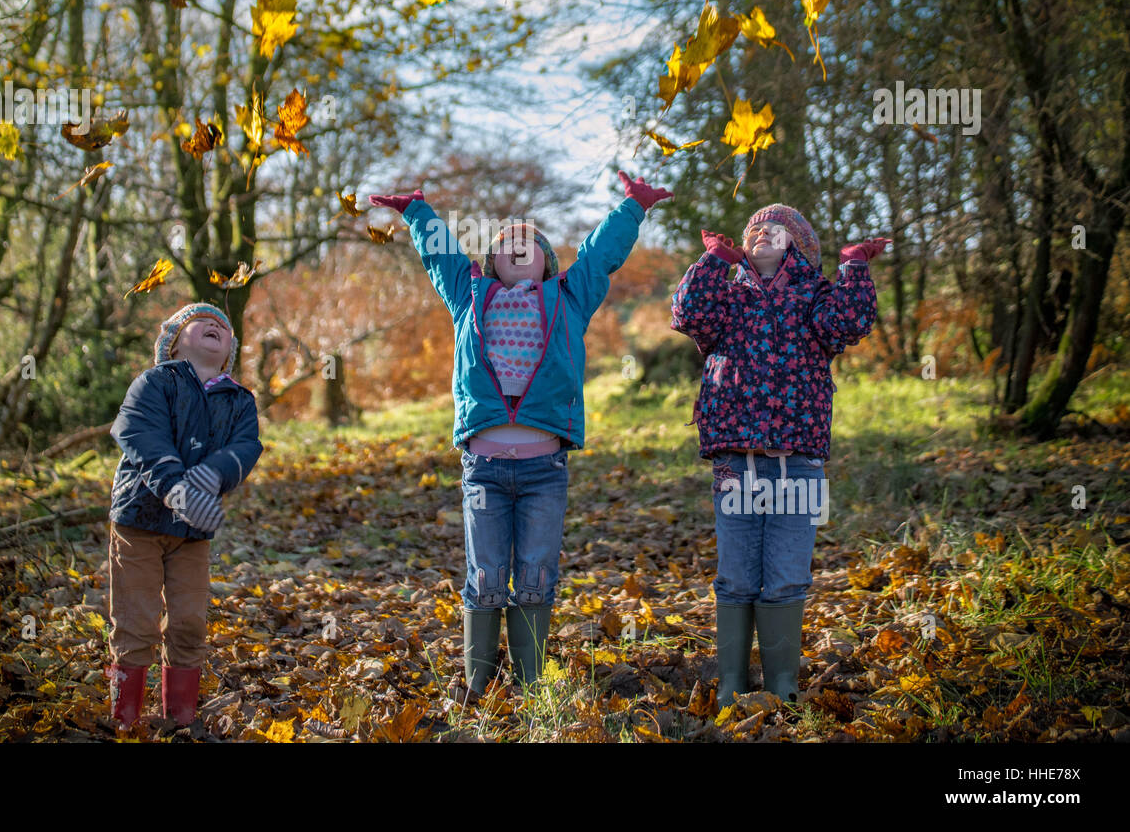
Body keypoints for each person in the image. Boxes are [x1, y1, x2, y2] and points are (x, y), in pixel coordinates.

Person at [369, 171, 671, 701]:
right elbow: (441, 258)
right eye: (504, 244)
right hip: (483, 468)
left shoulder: (568, 298)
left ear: (547, 262)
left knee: (534, 573)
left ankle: (530, 686)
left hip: (543, 471)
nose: (515, 247)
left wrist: (633, 208)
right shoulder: (470, 296)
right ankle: (478, 684)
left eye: (527, 243)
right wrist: (417, 211)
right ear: (489, 263)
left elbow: (599, 256)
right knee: (485, 576)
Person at [670, 204, 886, 706]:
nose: (763, 231)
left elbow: (849, 324)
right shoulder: (726, 294)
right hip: (735, 460)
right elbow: (686, 313)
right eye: (754, 229)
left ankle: (783, 684)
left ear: (800, 246)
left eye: (778, 228)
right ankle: (731, 683)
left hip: (799, 459)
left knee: (787, 573)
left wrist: (853, 265)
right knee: (738, 574)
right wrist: (711, 262)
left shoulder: (815, 295)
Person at [105, 302, 263, 729]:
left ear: (229, 350)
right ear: (173, 342)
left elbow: (247, 447)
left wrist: (215, 473)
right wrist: (178, 490)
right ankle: (126, 719)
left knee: (190, 621)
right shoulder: (154, 383)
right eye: (201, 321)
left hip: (192, 533)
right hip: (139, 520)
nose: (216, 324)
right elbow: (141, 435)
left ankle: (180, 718)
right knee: (136, 621)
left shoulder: (240, 400)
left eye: (224, 326)